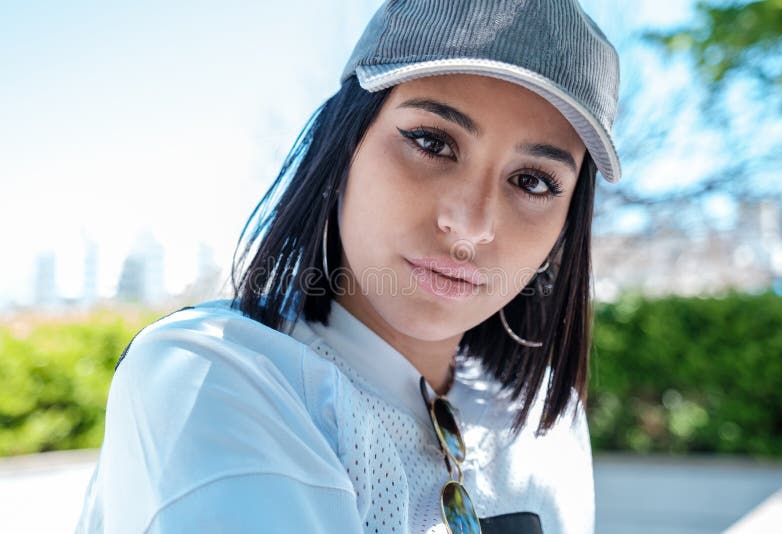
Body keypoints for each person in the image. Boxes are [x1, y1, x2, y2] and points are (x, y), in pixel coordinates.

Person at [75, 1, 621, 532]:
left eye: (533, 181)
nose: (472, 222)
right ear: (342, 145)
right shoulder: (217, 374)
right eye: (432, 142)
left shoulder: (544, 419)